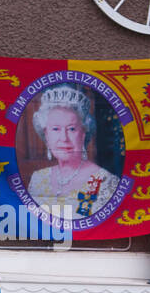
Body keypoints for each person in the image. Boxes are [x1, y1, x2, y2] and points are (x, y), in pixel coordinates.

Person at [26, 84, 118, 218]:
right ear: (46, 134)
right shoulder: (37, 178)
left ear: (83, 134)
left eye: (72, 129)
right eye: (56, 129)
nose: (64, 138)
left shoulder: (105, 182)